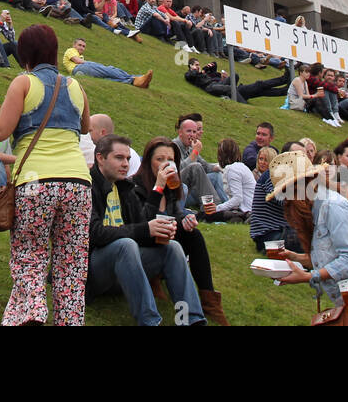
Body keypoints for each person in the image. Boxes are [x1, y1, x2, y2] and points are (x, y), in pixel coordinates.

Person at [0, 24, 93, 325]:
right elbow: (85, 127)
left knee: (30, 255)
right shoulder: (75, 86)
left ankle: (32, 314)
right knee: (72, 264)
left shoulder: (23, 82)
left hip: (36, 182)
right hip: (78, 183)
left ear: (24, 55)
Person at [86, 133, 207, 325]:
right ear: (100, 158)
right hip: (93, 271)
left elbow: (143, 226)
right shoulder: (87, 187)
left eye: (127, 158)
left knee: (173, 248)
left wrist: (159, 231)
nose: (125, 164)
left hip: (126, 267)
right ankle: (150, 321)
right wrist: (144, 229)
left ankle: (190, 320)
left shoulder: (124, 188)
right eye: (119, 158)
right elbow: (94, 234)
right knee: (125, 244)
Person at [132, 136, 228, 324]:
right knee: (172, 241)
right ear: (148, 161)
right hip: (142, 245)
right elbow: (142, 223)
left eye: (170, 160)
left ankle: (209, 301)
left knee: (194, 234)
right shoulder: (135, 186)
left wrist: (186, 219)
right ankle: (156, 280)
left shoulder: (171, 186)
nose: (165, 164)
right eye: (159, 159)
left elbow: (176, 213)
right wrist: (157, 187)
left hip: (165, 240)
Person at [270, 150, 348, 308]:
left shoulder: (332, 207)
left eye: (288, 193)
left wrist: (308, 276)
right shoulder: (316, 207)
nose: (287, 202)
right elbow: (330, 257)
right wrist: (294, 258)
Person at [63, 36, 152, 88]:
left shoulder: (80, 55)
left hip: (81, 68)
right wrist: (91, 63)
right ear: (74, 45)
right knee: (106, 70)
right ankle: (135, 78)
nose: (81, 48)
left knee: (107, 75)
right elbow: (77, 61)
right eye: (79, 45)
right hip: (77, 68)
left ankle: (134, 81)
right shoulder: (71, 50)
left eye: (83, 46)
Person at [78, 113, 141, 177]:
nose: (86, 134)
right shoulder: (90, 149)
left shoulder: (130, 153)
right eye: (119, 158)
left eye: (90, 131)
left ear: (102, 132)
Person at [214, 138, 255, 222]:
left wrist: (217, 208)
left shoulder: (232, 169)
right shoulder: (240, 167)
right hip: (248, 208)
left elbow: (237, 198)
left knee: (206, 216)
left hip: (246, 209)